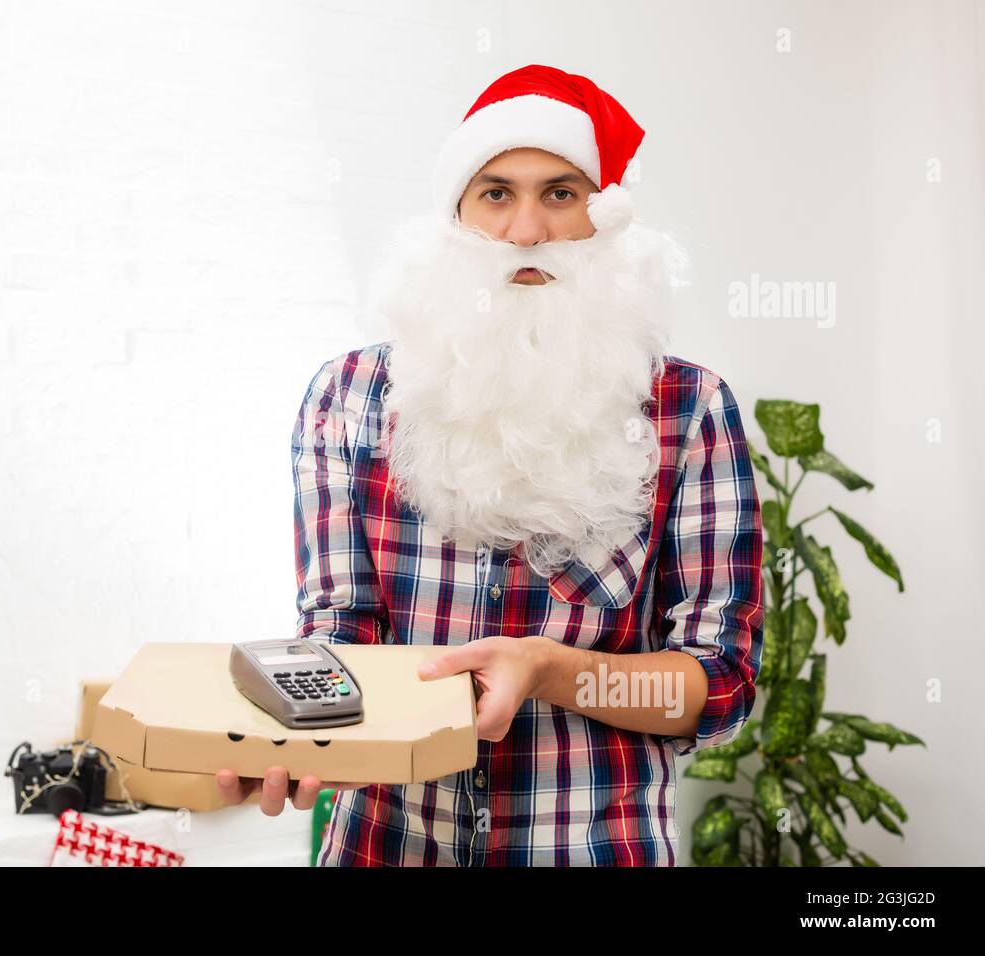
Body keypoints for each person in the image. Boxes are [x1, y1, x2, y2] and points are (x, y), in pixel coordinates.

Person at [216, 64, 763, 866]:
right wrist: (290, 741)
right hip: (387, 843)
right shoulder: (350, 396)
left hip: (595, 845)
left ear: (605, 220)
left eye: (562, 193)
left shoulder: (689, 409)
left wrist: (549, 670)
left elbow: (719, 686)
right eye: (497, 193)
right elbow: (341, 636)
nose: (527, 232)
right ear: (457, 219)